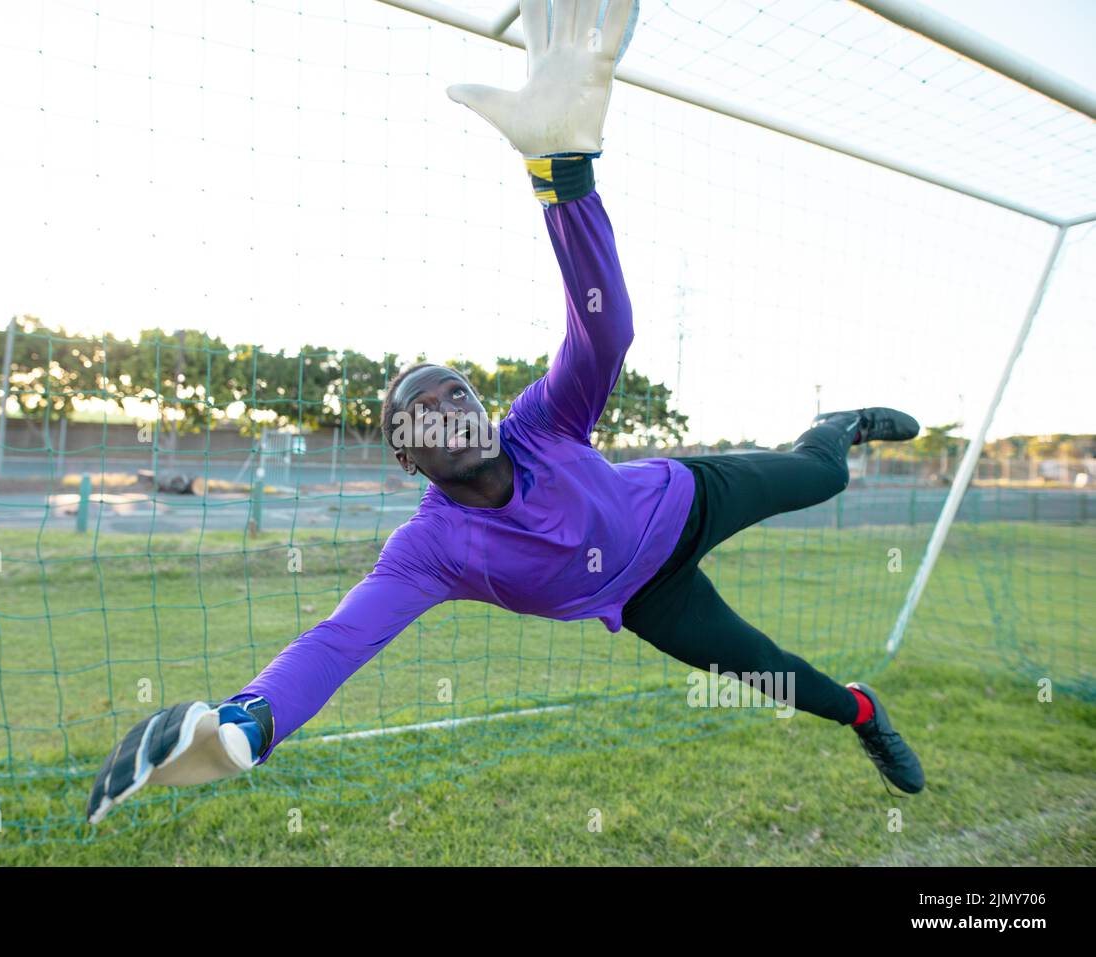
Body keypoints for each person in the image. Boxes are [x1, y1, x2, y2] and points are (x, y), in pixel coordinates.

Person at [87, 0, 924, 825]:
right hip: (644, 596)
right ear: (407, 458)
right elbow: (339, 640)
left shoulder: (543, 423)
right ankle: (865, 713)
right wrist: (248, 721)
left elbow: (604, 329)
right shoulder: (429, 550)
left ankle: (838, 422)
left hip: (686, 496)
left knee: (820, 473)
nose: (447, 405)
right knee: (773, 673)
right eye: (421, 409)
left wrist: (564, 179)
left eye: (455, 389)